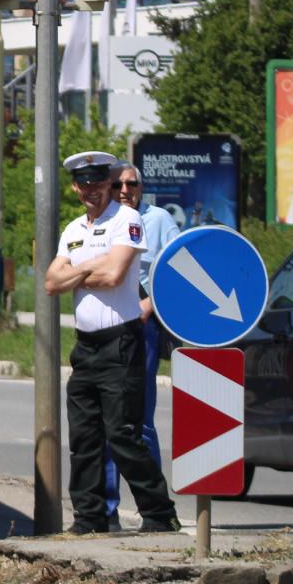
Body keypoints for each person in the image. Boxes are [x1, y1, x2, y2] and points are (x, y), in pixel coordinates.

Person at [44, 150, 179, 535]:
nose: (93, 190)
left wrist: (77, 269)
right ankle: (91, 518)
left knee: (123, 434)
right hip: (85, 346)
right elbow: (51, 283)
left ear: (109, 183)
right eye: (84, 184)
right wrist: (91, 265)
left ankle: (158, 514)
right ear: (75, 187)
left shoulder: (127, 220)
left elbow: (115, 275)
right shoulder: (73, 230)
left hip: (121, 342)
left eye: (100, 182)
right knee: (84, 438)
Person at [103, 163, 180, 525]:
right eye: (117, 183)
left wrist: (151, 304)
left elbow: (179, 269)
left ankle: (156, 511)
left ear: (141, 187)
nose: (124, 189)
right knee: (105, 421)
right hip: (103, 328)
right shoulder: (101, 221)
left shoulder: (159, 220)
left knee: (139, 421)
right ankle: (106, 512)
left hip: (143, 327)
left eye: (131, 183)